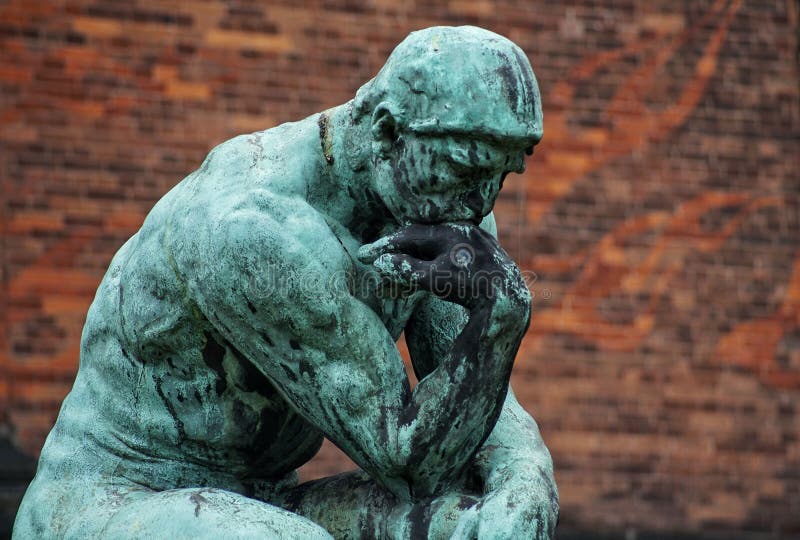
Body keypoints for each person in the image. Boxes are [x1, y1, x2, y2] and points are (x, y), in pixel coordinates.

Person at [14, 26, 557, 539]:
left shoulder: (440, 206)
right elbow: (407, 458)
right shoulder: (256, 228)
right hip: (120, 498)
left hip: (266, 499)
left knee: (467, 521)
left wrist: (526, 476)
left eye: (501, 177)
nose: (482, 204)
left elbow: (471, 386)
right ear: (387, 132)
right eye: (465, 171)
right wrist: (502, 320)